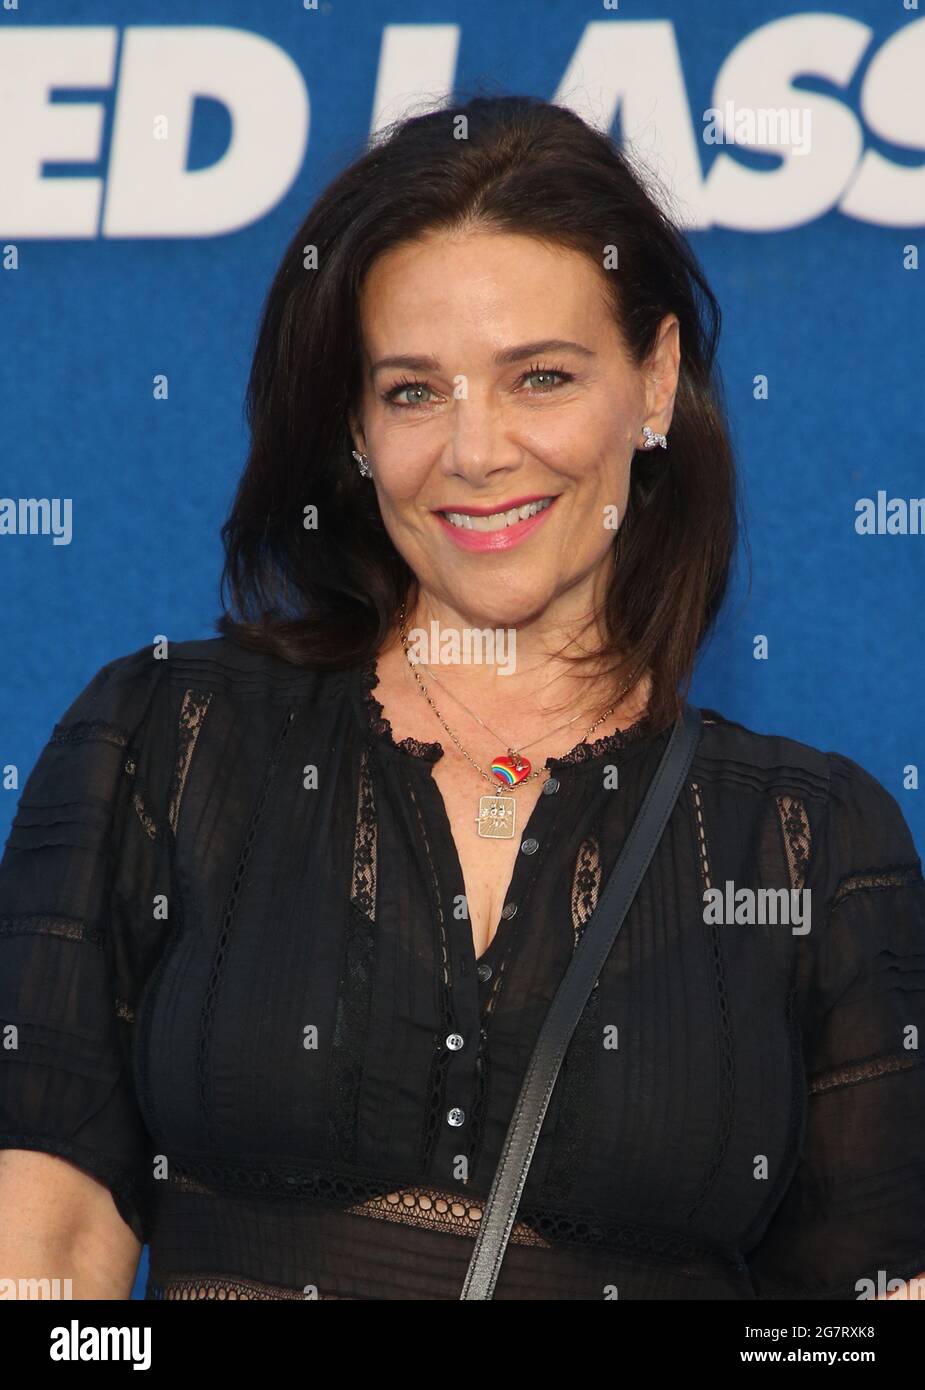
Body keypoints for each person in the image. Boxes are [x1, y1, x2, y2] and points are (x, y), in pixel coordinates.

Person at [1, 94, 923, 1301]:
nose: (476, 451)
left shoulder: (808, 844)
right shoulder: (167, 740)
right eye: (413, 391)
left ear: (653, 382)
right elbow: (44, 1254)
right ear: (353, 428)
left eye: (539, 377)